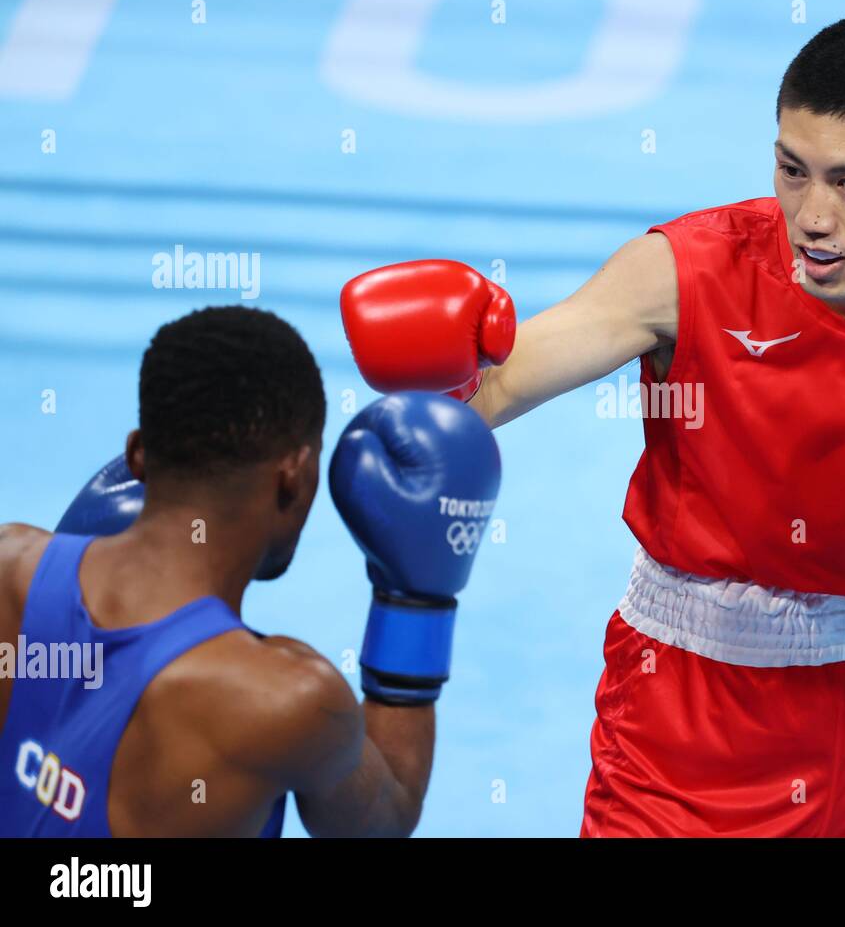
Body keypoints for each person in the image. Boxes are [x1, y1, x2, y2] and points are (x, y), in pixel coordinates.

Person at [339, 15, 845, 837]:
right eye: (791, 170)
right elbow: (498, 386)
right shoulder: (688, 268)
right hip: (685, 725)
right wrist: (449, 375)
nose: (812, 216)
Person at [0, 305, 500, 836]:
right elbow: (385, 815)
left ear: (138, 455)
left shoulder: (11, 561)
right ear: (297, 478)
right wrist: (416, 600)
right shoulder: (287, 701)